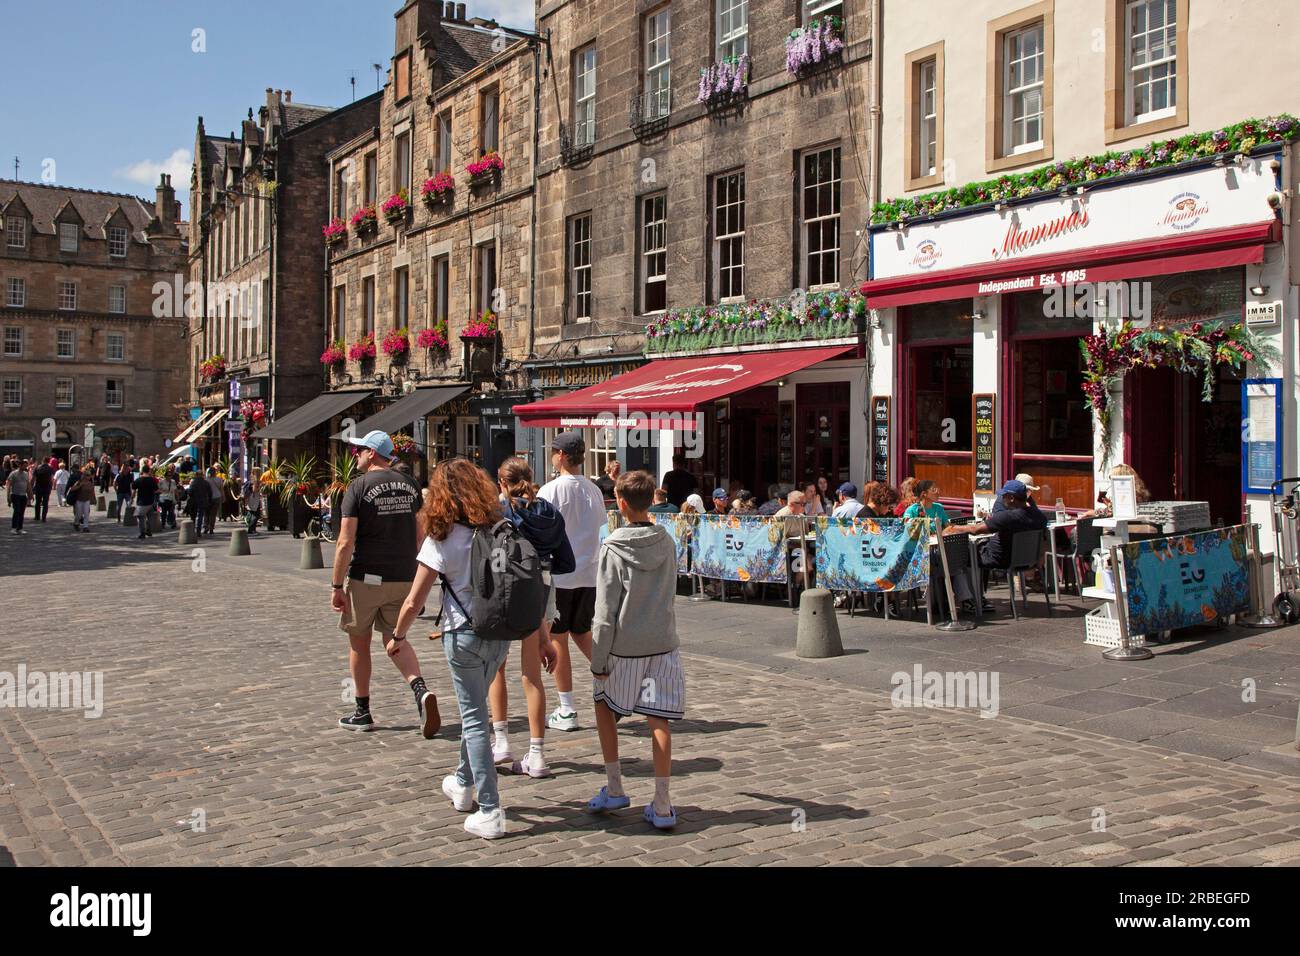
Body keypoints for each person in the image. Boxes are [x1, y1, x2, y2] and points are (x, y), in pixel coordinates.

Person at [391, 458, 513, 839]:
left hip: (462, 635)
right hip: (500, 634)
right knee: (475, 709)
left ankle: (491, 810)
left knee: (474, 719)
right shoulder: (498, 531)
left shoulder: (441, 538)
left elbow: (414, 601)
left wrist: (397, 636)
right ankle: (463, 784)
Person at [585, 470, 685, 829]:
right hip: (661, 643)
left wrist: (598, 660)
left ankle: (614, 786)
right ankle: (661, 803)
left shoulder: (613, 547)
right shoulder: (666, 540)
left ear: (621, 504)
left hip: (625, 647)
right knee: (658, 719)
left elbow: (605, 610)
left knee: (603, 705)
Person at [331, 430, 438, 738]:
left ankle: (362, 710)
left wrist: (337, 586)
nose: (356, 455)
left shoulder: (358, 487)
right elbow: (421, 535)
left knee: (359, 642)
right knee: (396, 638)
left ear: (373, 453)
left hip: (367, 577)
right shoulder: (409, 485)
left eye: (361, 450)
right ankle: (420, 690)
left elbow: (345, 541)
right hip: (404, 576)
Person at [487, 457, 574, 778]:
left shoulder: (498, 510)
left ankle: (501, 742)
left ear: (502, 482)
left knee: (497, 668)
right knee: (532, 675)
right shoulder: (549, 512)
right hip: (544, 586)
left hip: (506, 588)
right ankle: (537, 754)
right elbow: (567, 561)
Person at [536, 431, 608, 733]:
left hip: (561, 575)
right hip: (588, 573)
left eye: (554, 451)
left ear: (562, 455)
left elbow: (539, 534)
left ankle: (566, 709)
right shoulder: (593, 490)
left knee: (558, 638)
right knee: (581, 632)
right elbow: (601, 528)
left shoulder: (550, 491)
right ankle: (612, 680)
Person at [963, 479, 1049, 573]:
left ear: (1012, 498)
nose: (1002, 498)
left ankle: (967, 588)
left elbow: (975, 530)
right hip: (1027, 561)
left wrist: (952, 528)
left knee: (961, 554)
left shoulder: (1008, 517)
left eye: (1004, 496)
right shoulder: (1040, 517)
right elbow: (1044, 542)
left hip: (998, 560)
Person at [133, 461, 159, 539]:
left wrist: (131, 499)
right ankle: (148, 530)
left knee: (141, 518)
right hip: (151, 501)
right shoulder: (152, 480)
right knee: (149, 517)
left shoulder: (138, 480)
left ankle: (142, 533)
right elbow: (157, 490)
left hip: (141, 502)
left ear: (142, 471)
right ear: (149, 471)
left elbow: (133, 491)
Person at [185, 468, 212, 537]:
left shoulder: (193, 482)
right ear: (202, 475)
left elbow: (190, 492)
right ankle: (198, 531)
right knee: (200, 516)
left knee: (193, 516)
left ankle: (193, 529)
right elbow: (210, 492)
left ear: (196, 475)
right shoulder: (206, 482)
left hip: (194, 501)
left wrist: (188, 492)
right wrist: (209, 500)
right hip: (203, 501)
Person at [6, 461, 30, 534]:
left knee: (22, 512)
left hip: (23, 495)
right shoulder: (13, 473)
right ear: (20, 465)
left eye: (26, 466)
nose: (25, 467)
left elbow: (28, 484)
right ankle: (14, 528)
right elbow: (8, 485)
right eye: (24, 466)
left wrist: (30, 494)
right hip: (15, 495)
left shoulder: (26, 474)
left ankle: (20, 528)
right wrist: (8, 496)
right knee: (17, 511)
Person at [71, 466, 96, 532]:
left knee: (86, 513)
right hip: (79, 500)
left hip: (86, 500)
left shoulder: (90, 483)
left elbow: (92, 492)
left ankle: (85, 527)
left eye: (89, 475)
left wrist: (94, 499)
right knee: (78, 514)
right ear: (84, 476)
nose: (88, 477)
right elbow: (72, 489)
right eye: (87, 475)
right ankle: (76, 523)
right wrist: (80, 485)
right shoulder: (79, 482)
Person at [203, 467, 223, 535]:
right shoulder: (219, 479)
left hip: (208, 498)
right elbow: (221, 489)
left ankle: (206, 527)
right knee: (213, 514)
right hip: (217, 497)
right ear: (215, 472)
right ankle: (211, 528)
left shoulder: (206, 480)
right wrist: (223, 497)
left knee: (206, 513)